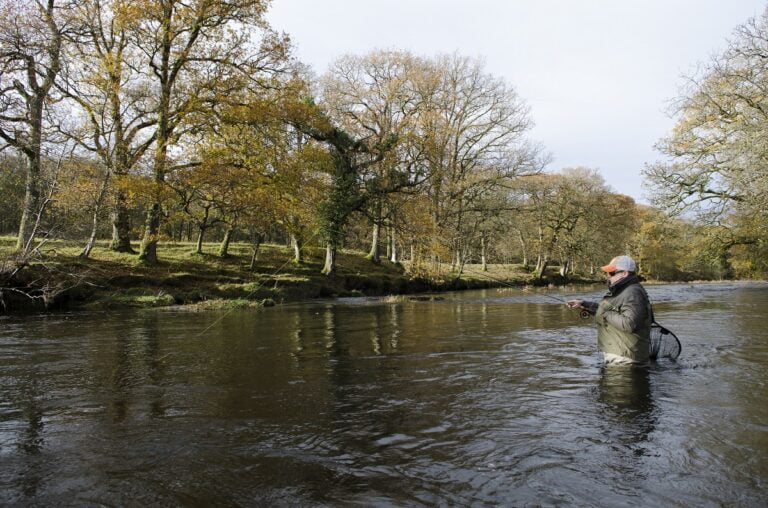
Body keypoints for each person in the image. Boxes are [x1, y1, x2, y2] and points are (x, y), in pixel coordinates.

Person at [567, 255, 652, 365]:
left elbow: (630, 324)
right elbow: (610, 310)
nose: (608, 276)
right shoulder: (622, 290)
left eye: (611, 273)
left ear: (624, 273)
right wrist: (583, 304)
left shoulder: (633, 293)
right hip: (620, 355)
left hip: (626, 359)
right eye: (607, 273)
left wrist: (604, 313)